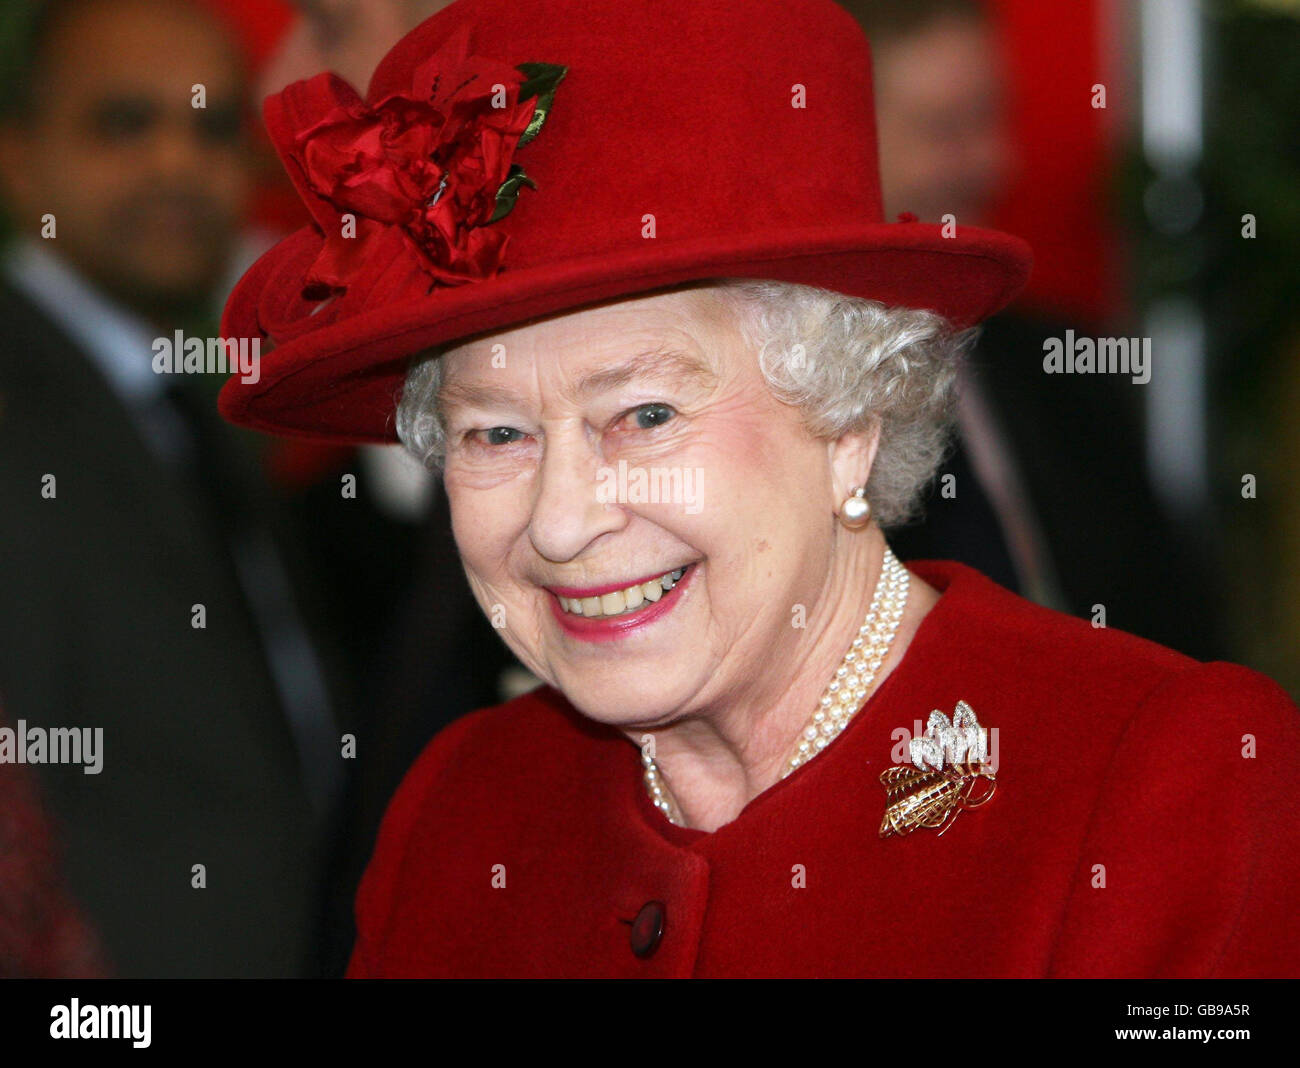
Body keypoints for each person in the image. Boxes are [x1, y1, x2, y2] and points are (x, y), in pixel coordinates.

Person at [218, 0, 1300, 976]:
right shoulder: (464, 807)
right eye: (495, 433)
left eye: (643, 415)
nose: (557, 522)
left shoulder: (1160, 782)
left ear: (850, 419)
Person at [0, 0, 340, 976]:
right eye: (123, 123)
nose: (175, 165)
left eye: (211, 126)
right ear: (20, 158)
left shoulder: (206, 411)